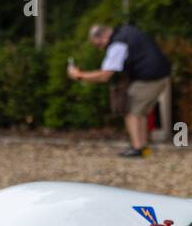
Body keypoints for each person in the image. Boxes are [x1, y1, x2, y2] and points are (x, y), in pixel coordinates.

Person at [68, 22, 171, 158]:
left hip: (150, 78)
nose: (101, 48)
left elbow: (105, 75)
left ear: (103, 36)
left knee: (130, 111)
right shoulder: (126, 30)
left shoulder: (117, 44)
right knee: (141, 112)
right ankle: (143, 147)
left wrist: (80, 76)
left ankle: (138, 148)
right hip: (161, 76)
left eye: (98, 44)